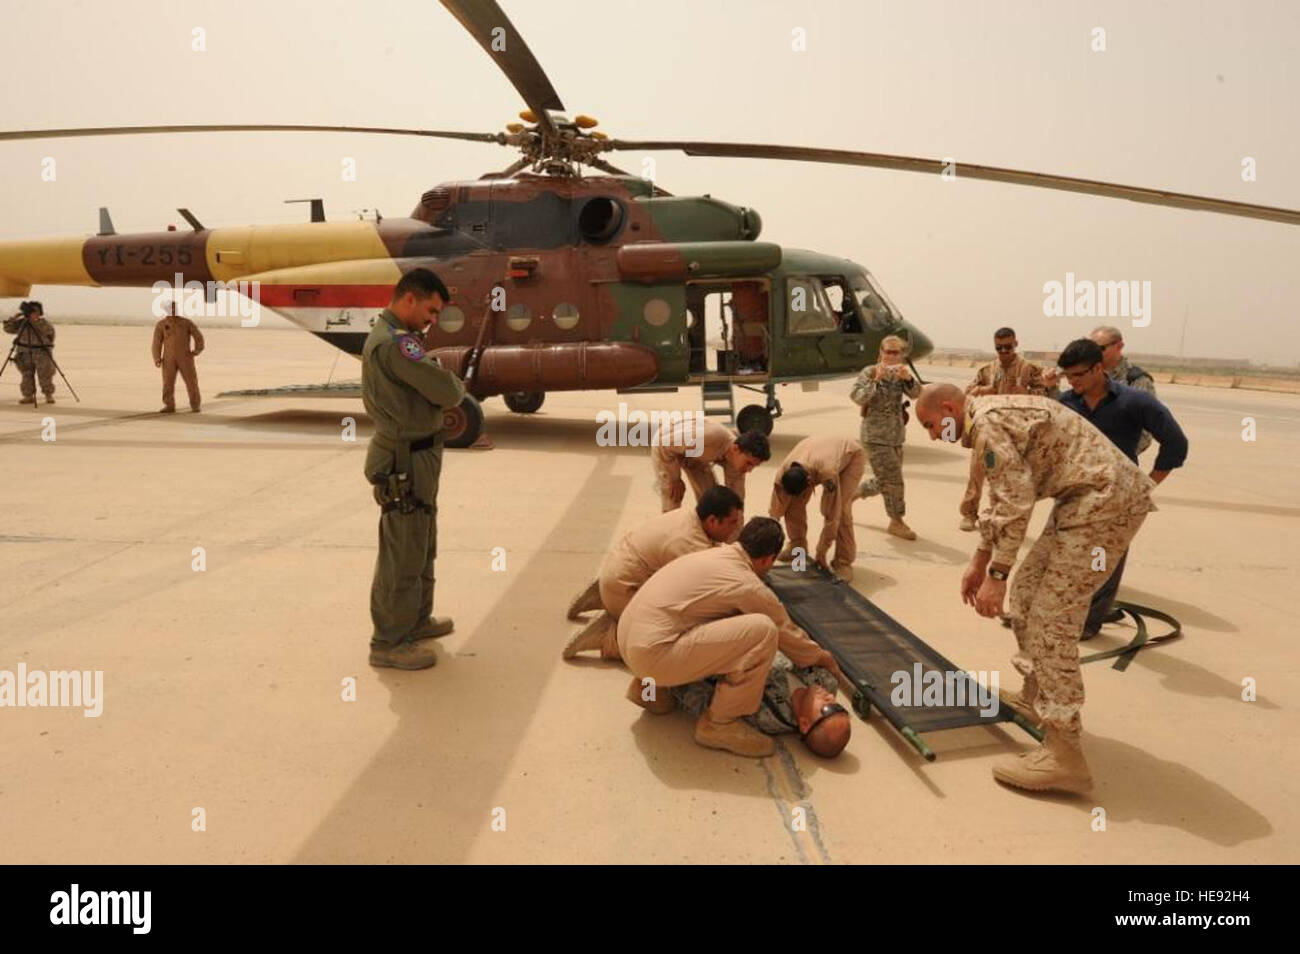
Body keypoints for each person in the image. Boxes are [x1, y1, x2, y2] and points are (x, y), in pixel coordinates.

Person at [915, 383, 1155, 794]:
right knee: (1027, 593)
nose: (933, 435)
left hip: (1104, 501)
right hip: (1082, 499)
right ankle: (1034, 695)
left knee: (1052, 620)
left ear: (951, 408)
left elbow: (1015, 501)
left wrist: (996, 576)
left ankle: (1065, 754)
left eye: (932, 425)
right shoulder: (984, 420)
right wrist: (979, 561)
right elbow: (1001, 497)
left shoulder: (988, 424)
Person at [617, 517, 847, 758]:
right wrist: (823, 657)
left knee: (719, 617)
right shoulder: (748, 585)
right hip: (652, 654)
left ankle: (650, 687)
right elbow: (786, 632)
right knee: (762, 631)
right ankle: (719, 725)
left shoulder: (712, 554)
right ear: (768, 559)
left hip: (630, 640)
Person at [362, 268, 467, 670]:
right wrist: (451, 383)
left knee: (421, 542)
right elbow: (447, 391)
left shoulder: (399, 339)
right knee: (402, 551)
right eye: (431, 310)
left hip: (418, 455)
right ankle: (388, 641)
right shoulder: (396, 346)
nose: (432, 320)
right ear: (410, 299)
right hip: (404, 458)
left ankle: (416, 621)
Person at [1055, 338, 1188, 639]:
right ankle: (1049, 612)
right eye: (1068, 376)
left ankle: (1088, 623)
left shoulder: (1134, 401)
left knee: (1104, 562)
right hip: (1076, 495)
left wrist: (1147, 485)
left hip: (1119, 498)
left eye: (1077, 375)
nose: (1072, 382)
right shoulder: (1067, 403)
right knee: (1062, 558)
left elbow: (1176, 443)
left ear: (1098, 369)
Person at [562, 486, 745, 659]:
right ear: (712, 520)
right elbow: (711, 593)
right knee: (671, 642)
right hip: (625, 589)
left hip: (615, 571)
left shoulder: (687, 515)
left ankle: (603, 598)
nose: (735, 529)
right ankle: (608, 637)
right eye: (732, 523)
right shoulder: (691, 545)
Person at [959, 327, 1054, 531]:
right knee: (976, 473)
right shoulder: (986, 370)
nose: (1003, 351)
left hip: (1016, 435)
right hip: (987, 433)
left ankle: (998, 517)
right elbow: (967, 396)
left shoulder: (1030, 369)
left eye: (1007, 347)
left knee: (1006, 480)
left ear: (1016, 344)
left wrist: (1027, 393)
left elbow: (1048, 398)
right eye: (999, 348)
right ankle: (969, 514)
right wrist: (981, 391)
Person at [671, 656, 851, 758]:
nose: (831, 699)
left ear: (804, 724)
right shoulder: (826, 681)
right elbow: (799, 644)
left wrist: (671, 681)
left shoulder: (767, 715)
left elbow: (708, 703)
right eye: (839, 707)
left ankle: (649, 689)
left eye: (828, 709)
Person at [850, 334, 921, 540]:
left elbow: (917, 394)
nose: (891, 356)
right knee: (895, 480)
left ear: (901, 355)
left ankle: (853, 494)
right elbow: (857, 396)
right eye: (887, 352)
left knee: (885, 481)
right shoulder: (870, 372)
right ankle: (896, 521)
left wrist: (908, 379)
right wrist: (876, 380)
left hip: (896, 436)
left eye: (895, 352)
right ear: (880, 353)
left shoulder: (902, 374)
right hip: (875, 436)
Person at [770, 435, 867, 581]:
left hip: (850, 454)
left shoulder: (828, 473)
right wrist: (770, 540)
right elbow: (776, 508)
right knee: (793, 507)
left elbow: (831, 517)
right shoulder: (783, 472)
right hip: (817, 449)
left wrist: (821, 553)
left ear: (810, 481)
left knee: (841, 509)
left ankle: (843, 562)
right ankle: (798, 548)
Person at [651, 419, 768, 512]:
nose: (749, 470)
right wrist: (675, 478)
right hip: (666, 445)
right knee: (673, 496)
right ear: (735, 449)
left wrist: (735, 538)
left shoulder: (737, 464)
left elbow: (737, 502)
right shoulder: (709, 437)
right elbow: (664, 443)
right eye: (748, 463)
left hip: (696, 453)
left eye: (754, 466)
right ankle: (669, 535)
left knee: (711, 502)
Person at [151, 300, 205, 413]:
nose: (174, 310)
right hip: (168, 358)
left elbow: (198, 337)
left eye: (175, 308)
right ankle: (169, 405)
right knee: (167, 382)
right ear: (166, 310)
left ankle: (195, 405)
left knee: (191, 382)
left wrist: (196, 350)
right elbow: (157, 343)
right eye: (171, 308)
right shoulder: (162, 325)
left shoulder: (186, 323)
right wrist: (157, 358)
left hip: (185, 357)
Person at [3, 301, 57, 404]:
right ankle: (28, 396)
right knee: (26, 375)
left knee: (45, 375)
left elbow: (50, 334)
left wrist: (36, 321)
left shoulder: (43, 323)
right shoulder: (22, 323)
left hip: (41, 352)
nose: (34, 314)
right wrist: (13, 318)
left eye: (36, 312)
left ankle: (48, 395)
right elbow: (8, 329)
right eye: (32, 312)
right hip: (24, 353)